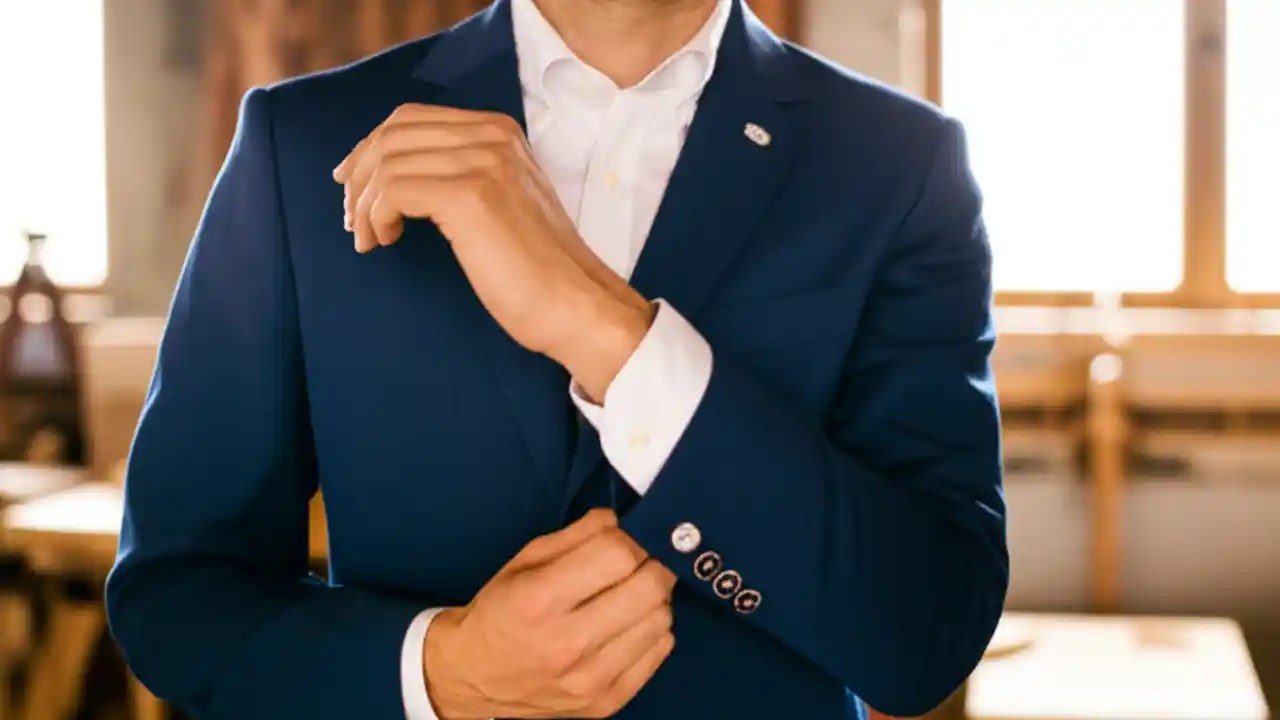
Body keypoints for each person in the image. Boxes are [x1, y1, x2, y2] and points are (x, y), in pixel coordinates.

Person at [106, 0, 1008, 718]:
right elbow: (178, 597)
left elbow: (922, 634)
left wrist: (603, 330)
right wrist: (444, 670)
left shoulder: (900, 166)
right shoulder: (300, 144)